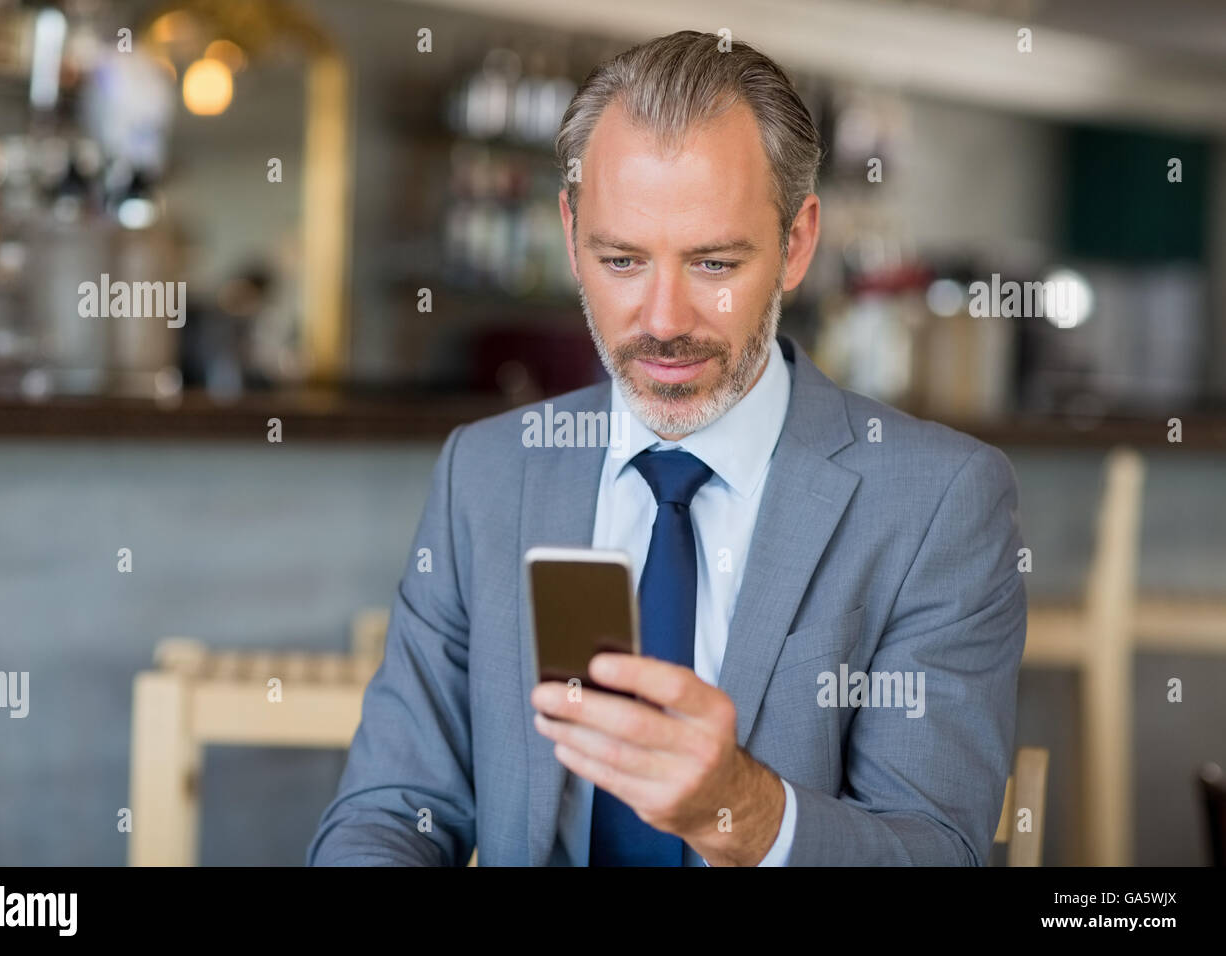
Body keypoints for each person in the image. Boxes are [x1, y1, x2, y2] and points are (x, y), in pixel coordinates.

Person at [309, 30, 1026, 866]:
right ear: (571, 232)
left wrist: (743, 811)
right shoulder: (487, 473)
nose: (662, 320)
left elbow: (937, 850)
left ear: (797, 243)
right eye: (620, 260)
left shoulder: (939, 503)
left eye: (714, 262)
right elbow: (394, 808)